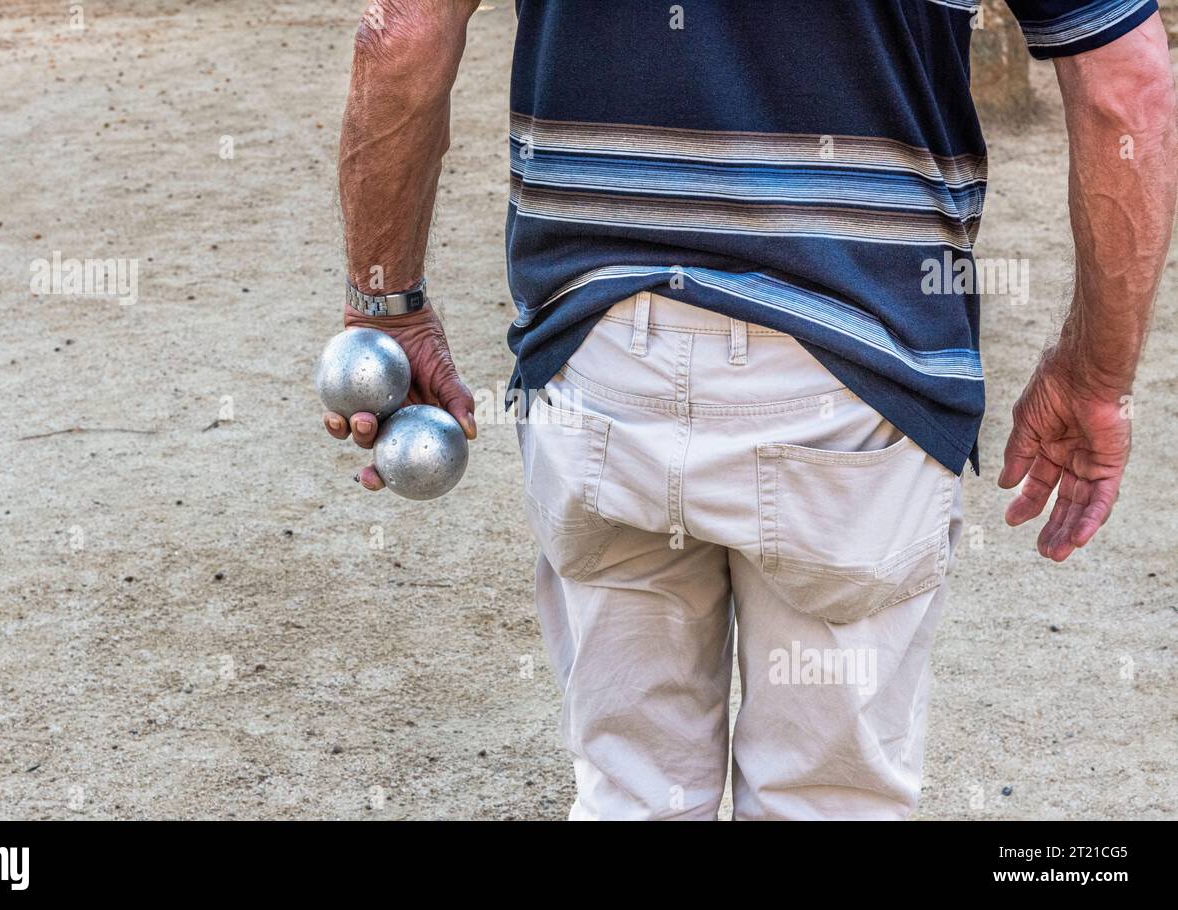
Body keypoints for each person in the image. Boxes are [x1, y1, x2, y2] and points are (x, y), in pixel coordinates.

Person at [324, 0, 1177, 819]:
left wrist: (384, 305)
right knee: (829, 806)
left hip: (602, 357)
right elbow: (1125, 83)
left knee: (632, 797)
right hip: (856, 374)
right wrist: (1096, 375)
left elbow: (400, 30)